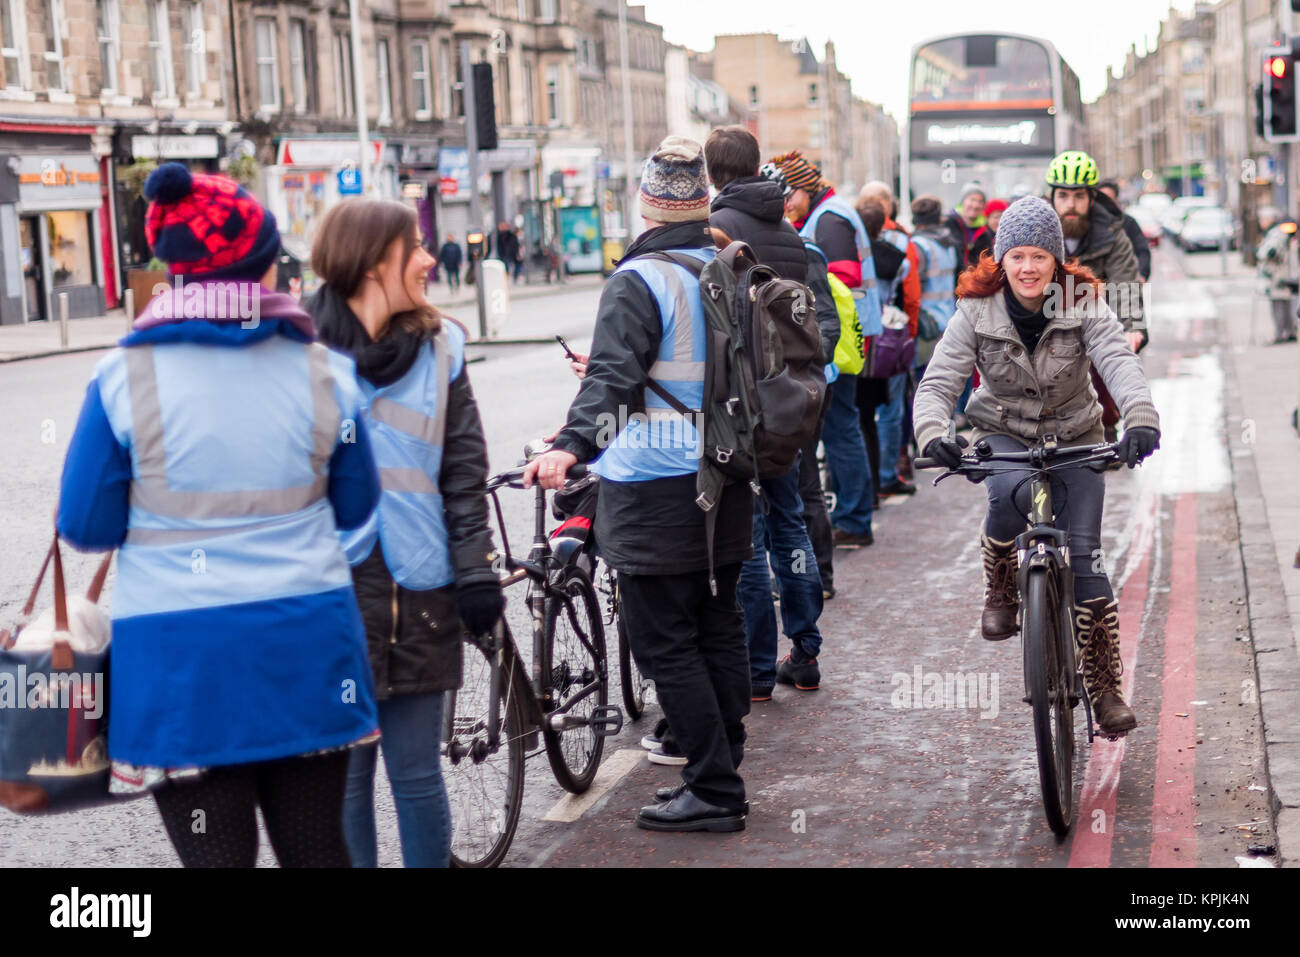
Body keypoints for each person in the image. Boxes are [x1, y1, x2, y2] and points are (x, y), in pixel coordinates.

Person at [56, 162, 381, 867]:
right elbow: (357, 506)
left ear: (172, 269)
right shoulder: (327, 373)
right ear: (264, 263)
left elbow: (84, 524)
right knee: (319, 851)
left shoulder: (123, 378)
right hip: (306, 647)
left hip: (180, 665)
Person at [526, 136, 753, 833]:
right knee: (716, 621)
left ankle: (712, 786)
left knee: (665, 641)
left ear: (647, 203)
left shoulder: (638, 278)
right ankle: (726, 758)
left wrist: (569, 446)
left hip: (655, 481)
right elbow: (682, 364)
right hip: (726, 470)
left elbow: (612, 384)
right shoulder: (724, 262)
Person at [912, 197, 1161, 735]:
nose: (1028, 268)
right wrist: (935, 434)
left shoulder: (1085, 303)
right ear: (1001, 260)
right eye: (1017, 256)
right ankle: (1002, 585)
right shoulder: (975, 310)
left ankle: (1105, 689)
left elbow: (1119, 360)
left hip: (1077, 433)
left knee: (1089, 558)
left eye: (1039, 257)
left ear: (1057, 262)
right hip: (1005, 432)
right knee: (1005, 497)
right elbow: (938, 382)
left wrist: (1139, 417)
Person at [305, 199, 504, 868]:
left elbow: (463, 470)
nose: (429, 259)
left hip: (421, 584)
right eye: (412, 248)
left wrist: (475, 569)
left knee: (415, 773)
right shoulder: (298, 351)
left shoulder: (443, 346)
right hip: (333, 590)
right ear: (370, 265)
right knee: (347, 778)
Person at [706, 125, 831, 697]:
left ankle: (757, 669)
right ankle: (804, 650)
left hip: (741, 401)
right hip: (791, 397)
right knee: (789, 521)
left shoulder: (718, 229)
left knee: (748, 537)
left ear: (712, 173)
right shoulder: (789, 229)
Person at [772, 149, 878, 548]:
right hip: (849, 335)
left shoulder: (828, 220)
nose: (786, 205)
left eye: (789, 196)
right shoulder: (828, 213)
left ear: (802, 189)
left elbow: (841, 277)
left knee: (841, 431)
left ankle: (853, 519)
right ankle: (854, 514)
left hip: (842, 342)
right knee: (845, 429)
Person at [1046, 150, 1147, 443]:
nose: (1070, 205)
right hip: (1047, 319)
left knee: (1105, 359)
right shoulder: (1036, 229)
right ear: (1051, 197)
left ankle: (1107, 425)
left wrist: (1132, 327)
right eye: (1063, 196)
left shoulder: (1113, 234)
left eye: (1079, 196)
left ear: (1092, 198)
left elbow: (1125, 283)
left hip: (1095, 321)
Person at [860, 181, 922, 489]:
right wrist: (909, 333)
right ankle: (888, 473)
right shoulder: (901, 244)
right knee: (891, 407)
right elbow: (911, 294)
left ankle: (868, 479)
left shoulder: (849, 240)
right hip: (892, 334)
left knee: (860, 413)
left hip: (860, 336)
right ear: (887, 205)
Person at [1255, 206, 1299, 343]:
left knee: (1279, 303)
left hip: (1278, 275)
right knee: (1285, 302)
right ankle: (1289, 331)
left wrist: (1260, 254)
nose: (1261, 222)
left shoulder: (1276, 233)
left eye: (1262, 219)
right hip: (1282, 273)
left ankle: (1282, 333)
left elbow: (1270, 252)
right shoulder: (1277, 232)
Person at [1097, 180, 1152, 282]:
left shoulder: (1128, 222)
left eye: (1108, 199)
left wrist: (1142, 275)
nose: (1104, 204)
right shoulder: (1090, 223)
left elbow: (1143, 250)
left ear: (1116, 200)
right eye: (1101, 199)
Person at [945, 182, 988, 270]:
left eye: (980, 201)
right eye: (972, 200)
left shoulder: (984, 231)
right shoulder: (949, 224)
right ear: (963, 201)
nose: (975, 205)